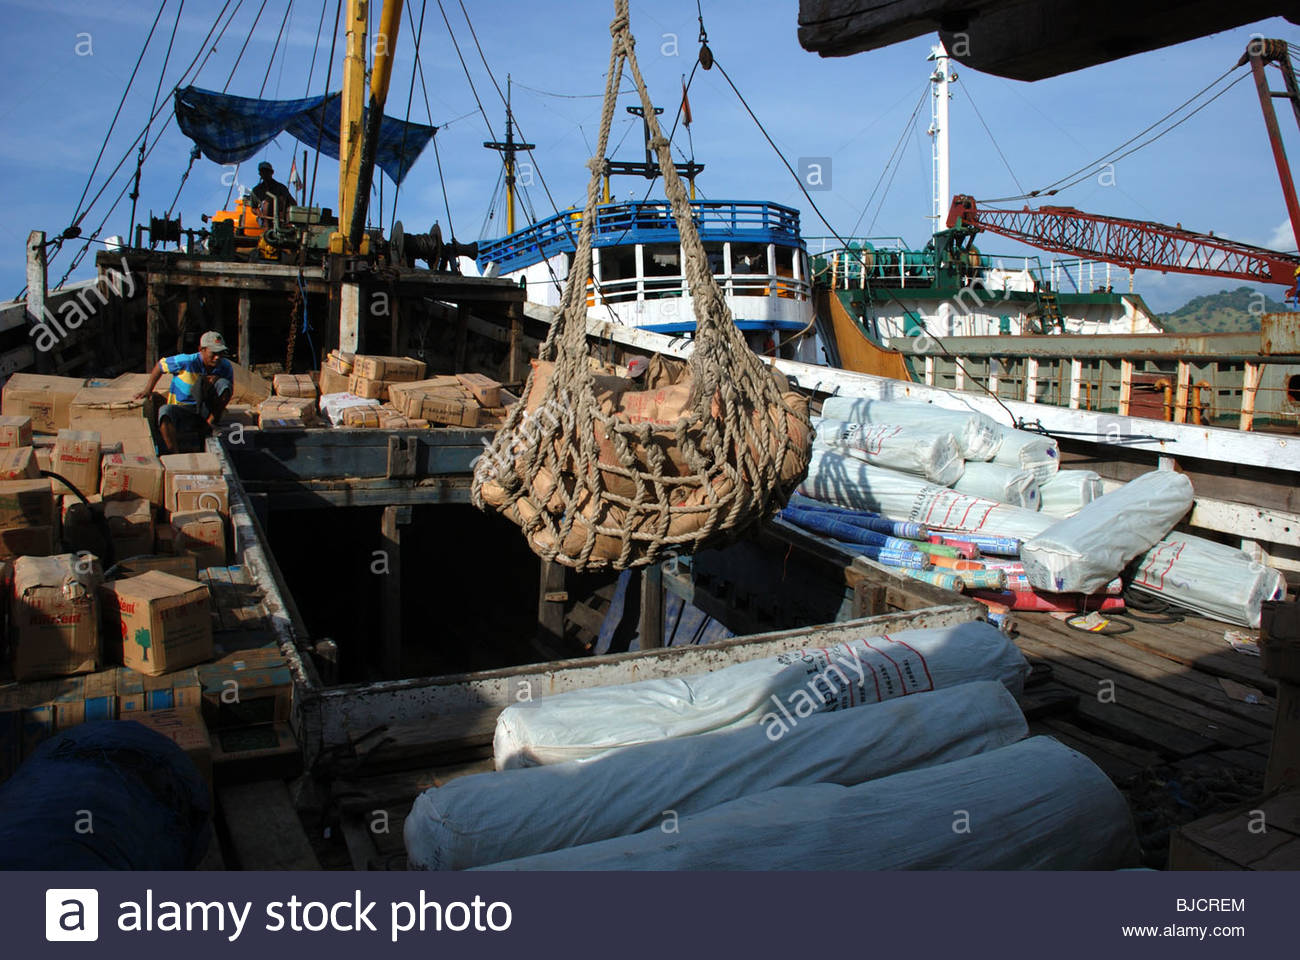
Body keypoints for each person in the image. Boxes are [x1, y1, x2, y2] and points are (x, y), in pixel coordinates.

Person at [135, 331, 235, 454]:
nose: (217, 357)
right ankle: (175, 454)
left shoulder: (225, 366)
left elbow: (228, 391)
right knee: (165, 412)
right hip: (183, 409)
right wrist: (148, 390)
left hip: (206, 410)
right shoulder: (186, 361)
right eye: (213, 353)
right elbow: (160, 366)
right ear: (201, 350)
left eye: (220, 353)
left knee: (224, 384)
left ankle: (209, 423)